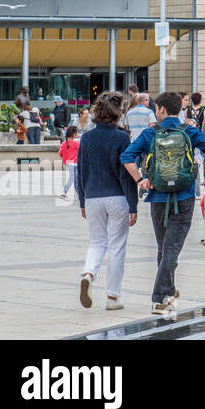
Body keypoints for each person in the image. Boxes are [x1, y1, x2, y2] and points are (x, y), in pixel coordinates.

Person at [120, 92, 205, 318]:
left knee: (164, 249)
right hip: (184, 197)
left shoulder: (150, 134)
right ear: (179, 110)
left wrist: (140, 179)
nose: (156, 112)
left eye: (157, 109)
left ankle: (166, 295)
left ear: (163, 109)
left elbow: (127, 157)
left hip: (157, 197)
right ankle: (160, 299)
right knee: (171, 250)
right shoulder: (190, 131)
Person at [77, 91, 138, 312]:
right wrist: (133, 204)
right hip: (117, 197)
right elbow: (126, 174)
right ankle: (113, 297)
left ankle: (88, 273)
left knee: (96, 242)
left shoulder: (86, 137)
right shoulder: (122, 138)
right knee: (116, 247)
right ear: (117, 114)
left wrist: (82, 200)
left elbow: (80, 171)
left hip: (92, 196)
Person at [58, 125, 80, 201]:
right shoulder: (76, 143)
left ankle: (79, 194)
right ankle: (64, 192)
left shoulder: (64, 143)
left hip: (68, 163)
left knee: (74, 178)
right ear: (74, 134)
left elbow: (60, 153)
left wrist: (66, 158)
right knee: (74, 179)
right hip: (75, 163)